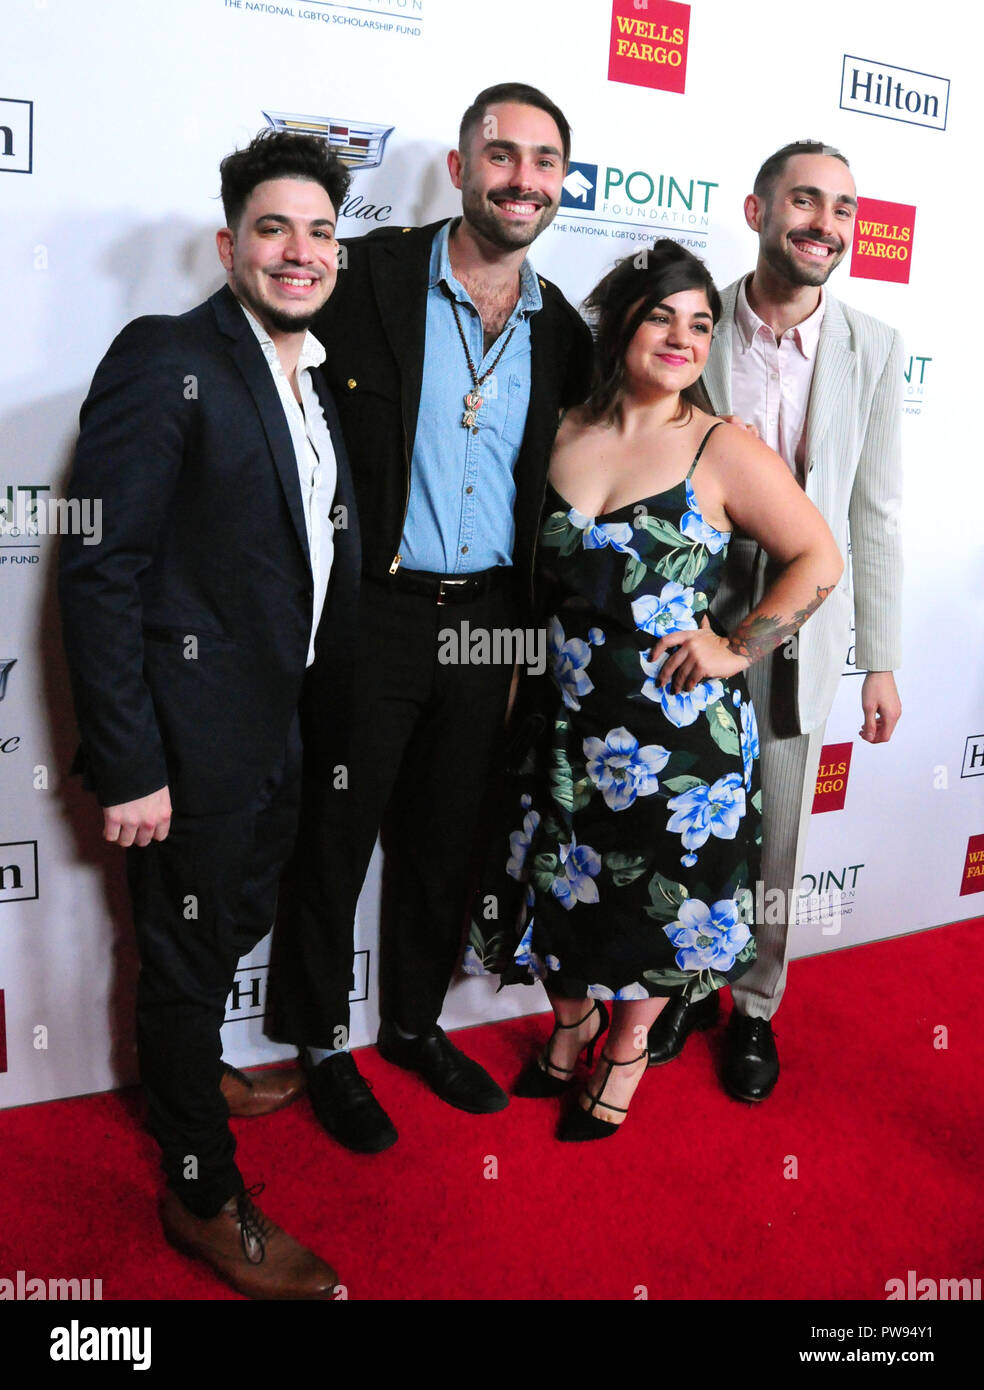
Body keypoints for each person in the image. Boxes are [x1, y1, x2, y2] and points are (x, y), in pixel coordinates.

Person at [58, 130, 360, 1298]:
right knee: (184, 959)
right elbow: (99, 566)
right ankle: (199, 1188)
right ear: (230, 242)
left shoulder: (311, 374)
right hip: (182, 741)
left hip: (274, 724)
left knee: (226, 921)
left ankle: (194, 1069)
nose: (300, 251)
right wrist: (131, 762)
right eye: (275, 229)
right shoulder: (166, 355)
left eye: (321, 231)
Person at [267, 83, 592, 1152]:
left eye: (545, 162)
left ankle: (410, 1023)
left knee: (448, 836)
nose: (523, 180)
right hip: (374, 606)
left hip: (493, 620)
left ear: (561, 185)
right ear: (460, 169)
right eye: (503, 155)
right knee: (337, 834)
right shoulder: (372, 279)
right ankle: (318, 1042)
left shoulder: (567, 333)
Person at [474, 239, 843, 1140]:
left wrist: (732, 646)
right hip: (560, 722)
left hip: (675, 742)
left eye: (701, 324)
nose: (682, 338)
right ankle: (573, 1023)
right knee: (557, 885)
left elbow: (818, 559)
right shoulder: (558, 428)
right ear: (624, 326)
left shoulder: (721, 447)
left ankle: (629, 1048)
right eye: (661, 317)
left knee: (654, 904)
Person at [646, 141, 903, 1101]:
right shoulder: (692, 320)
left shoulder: (872, 346)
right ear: (758, 211)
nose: (824, 225)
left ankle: (754, 1005)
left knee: (780, 837)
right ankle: (677, 989)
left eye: (841, 209)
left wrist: (879, 657)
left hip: (806, 628)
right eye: (805, 201)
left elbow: (874, 512)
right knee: (681, 820)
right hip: (685, 622)